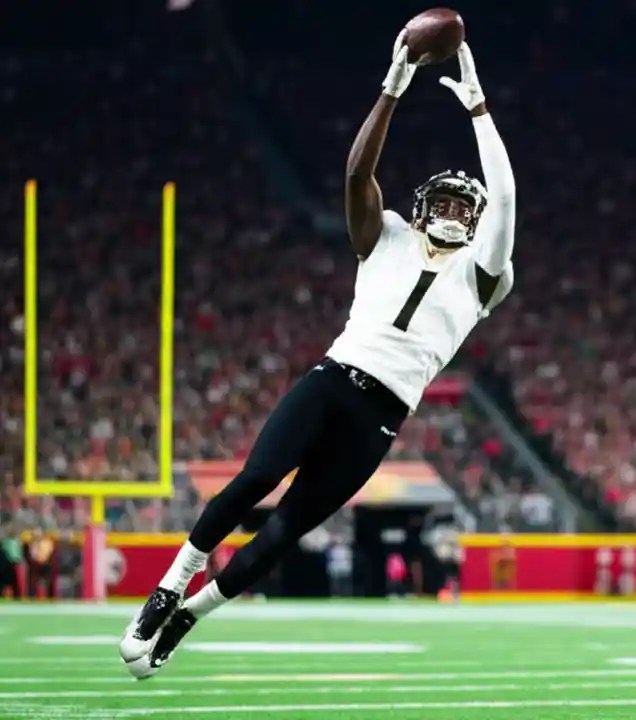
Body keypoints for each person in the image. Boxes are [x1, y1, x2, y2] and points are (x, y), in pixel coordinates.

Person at [118, 36, 515, 679]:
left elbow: (507, 201)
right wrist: (394, 82)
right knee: (255, 482)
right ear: (418, 210)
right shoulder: (385, 234)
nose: (450, 213)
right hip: (333, 380)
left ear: (476, 221)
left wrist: (478, 109)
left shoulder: (484, 276)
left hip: (382, 416)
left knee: (283, 532)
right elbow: (358, 175)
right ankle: (169, 584)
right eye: (440, 203)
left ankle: (193, 614)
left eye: (462, 208)